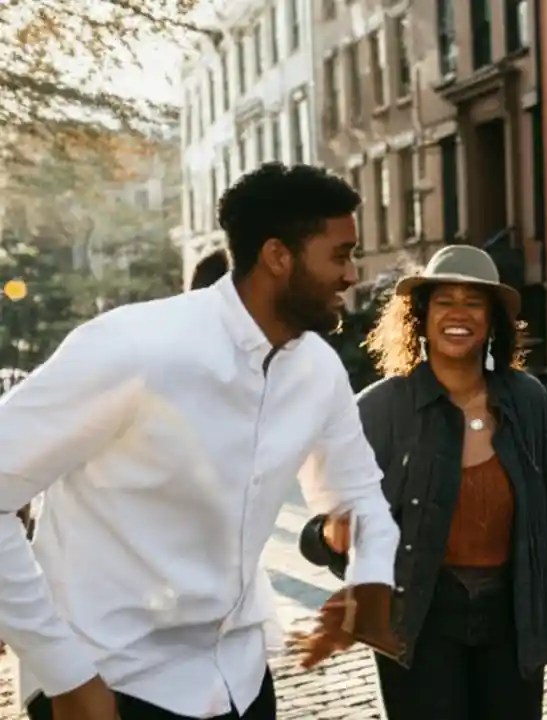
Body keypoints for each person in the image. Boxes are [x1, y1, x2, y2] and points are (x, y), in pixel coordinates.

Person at [0, 162, 401, 720]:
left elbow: (356, 494)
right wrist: (63, 673)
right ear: (278, 256)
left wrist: (370, 579)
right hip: (109, 681)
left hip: (240, 680)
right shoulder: (132, 347)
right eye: (340, 255)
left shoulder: (319, 369)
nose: (352, 274)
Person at [297, 244, 547, 719]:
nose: (458, 314)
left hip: (514, 617)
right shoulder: (381, 408)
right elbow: (316, 531)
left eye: (473, 302)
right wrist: (329, 535)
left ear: (492, 320)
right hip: (418, 619)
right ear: (421, 317)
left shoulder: (528, 402)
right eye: (444, 301)